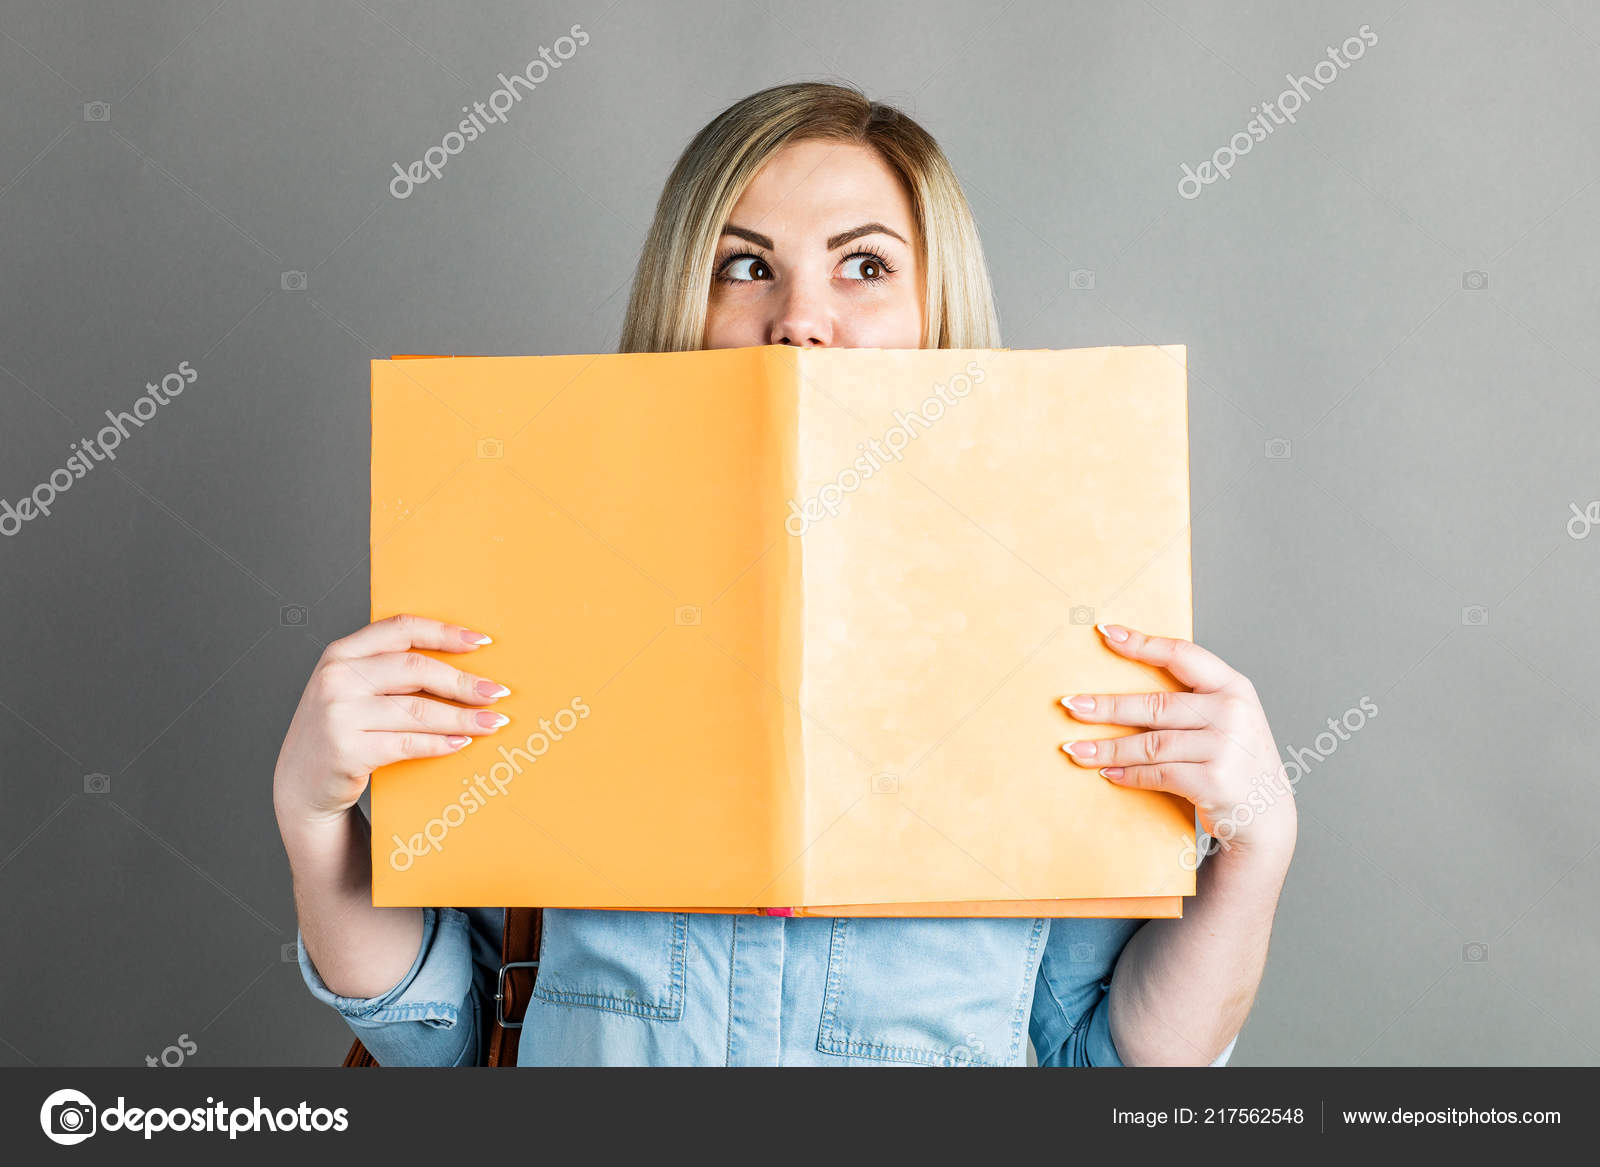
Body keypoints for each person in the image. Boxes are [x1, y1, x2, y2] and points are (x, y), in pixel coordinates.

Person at [274, 81, 1296, 1067]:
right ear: (686, 298)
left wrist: (1256, 844)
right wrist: (315, 821)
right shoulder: (533, 562)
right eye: (745, 267)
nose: (802, 320)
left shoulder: (1060, 609)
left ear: (936, 306)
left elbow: (1104, 1067)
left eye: (864, 267)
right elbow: (443, 1041)